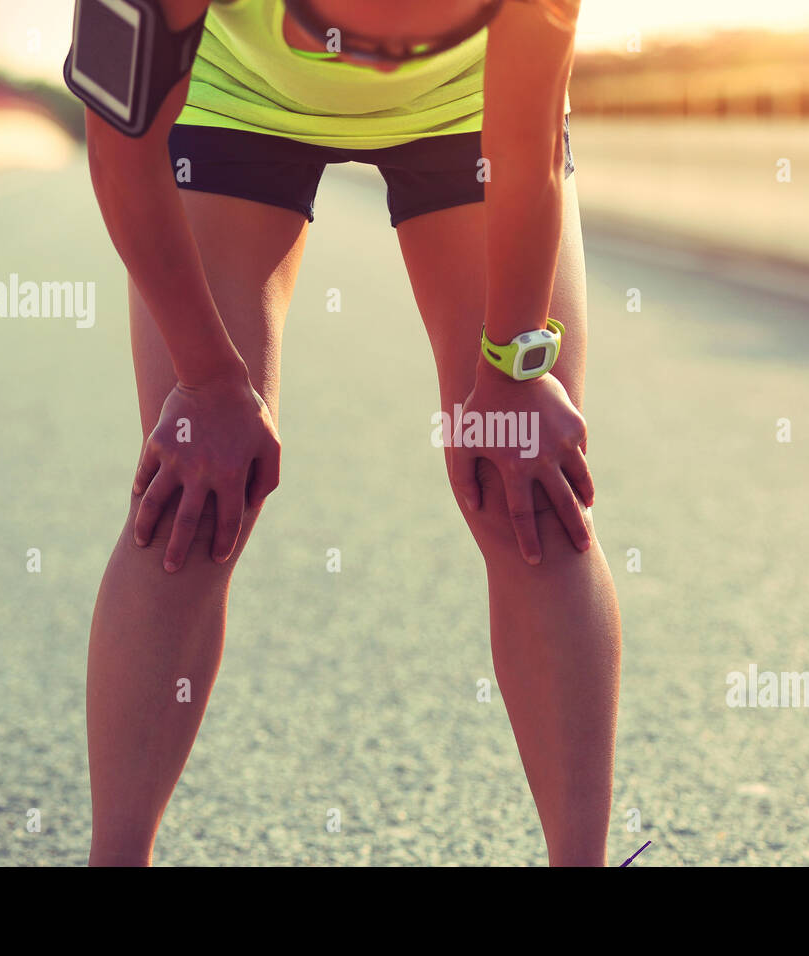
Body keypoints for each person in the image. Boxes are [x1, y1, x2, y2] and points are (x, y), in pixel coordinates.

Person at [78, 0, 622, 866]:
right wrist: (209, 381)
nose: (369, 70)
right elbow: (119, 152)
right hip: (237, 95)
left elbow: (524, 157)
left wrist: (513, 376)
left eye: (407, 43)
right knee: (194, 489)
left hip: (468, 109)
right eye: (356, 42)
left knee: (531, 490)